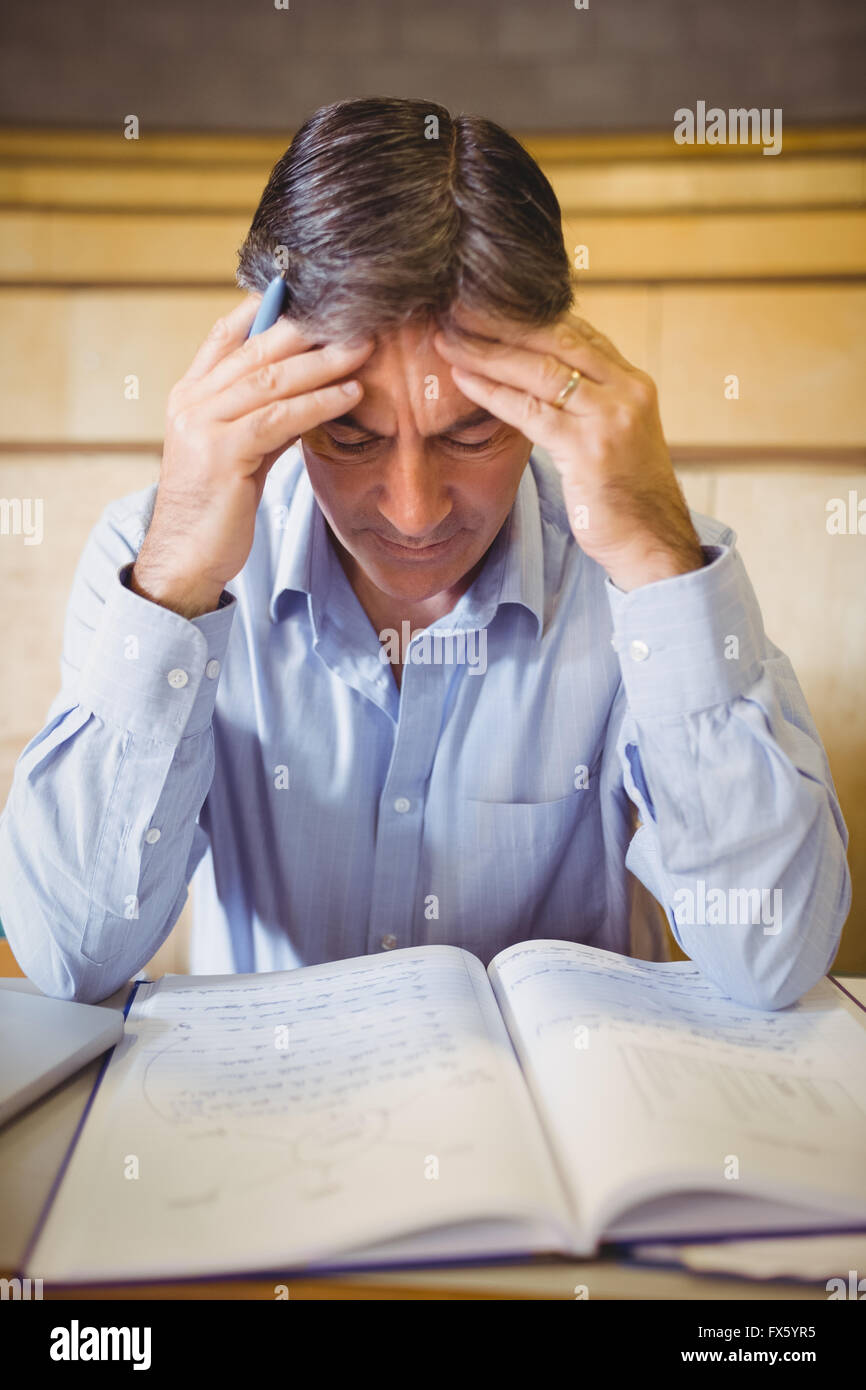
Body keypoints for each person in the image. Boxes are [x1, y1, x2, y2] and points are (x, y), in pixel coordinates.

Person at [0, 97, 849, 1007]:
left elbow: (774, 955)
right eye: (353, 439)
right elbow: (64, 954)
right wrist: (173, 589)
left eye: (473, 432)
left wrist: (656, 562)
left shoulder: (657, 575)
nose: (414, 512)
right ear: (265, 383)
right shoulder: (152, 562)